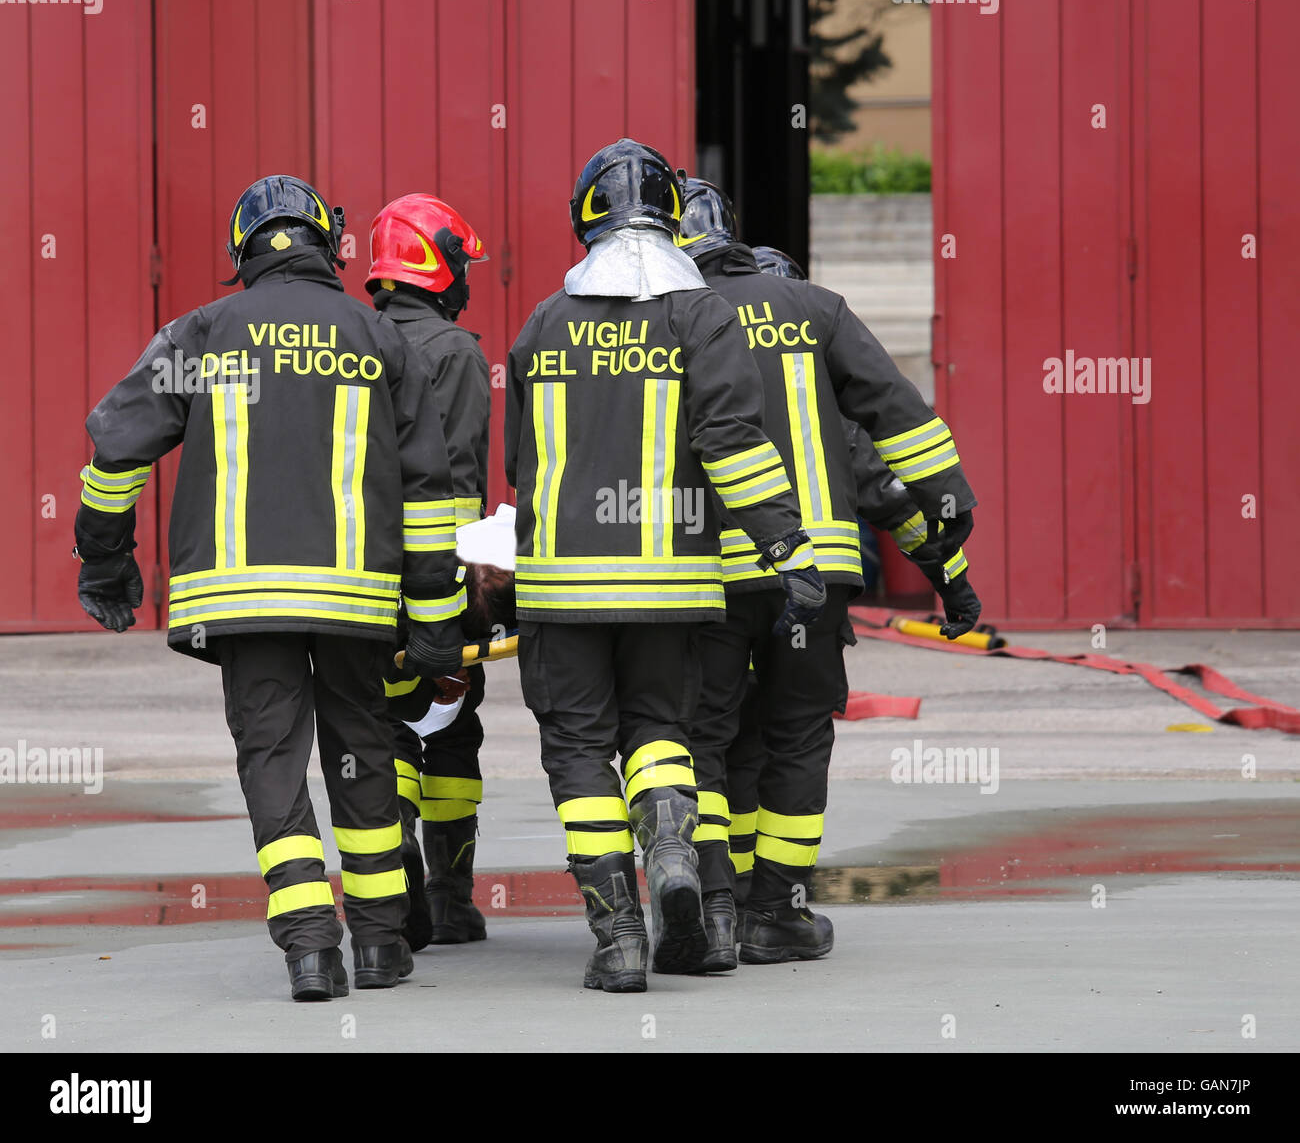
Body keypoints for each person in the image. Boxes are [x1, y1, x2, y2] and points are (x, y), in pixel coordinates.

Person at [73, 174, 467, 1001]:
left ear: (241, 253)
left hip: (240, 601)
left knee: (272, 758)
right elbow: (431, 494)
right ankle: (384, 943)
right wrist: (435, 621)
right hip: (354, 600)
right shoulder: (376, 335)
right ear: (327, 242)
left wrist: (106, 558)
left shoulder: (200, 331)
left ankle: (309, 947)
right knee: (362, 749)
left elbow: (115, 447)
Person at [503, 139, 824, 992]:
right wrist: (784, 544)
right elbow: (732, 441)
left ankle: (616, 940)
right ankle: (673, 849)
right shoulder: (703, 315)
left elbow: (519, 467)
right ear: (674, 219)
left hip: (560, 588)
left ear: (584, 218)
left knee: (577, 752)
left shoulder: (543, 322)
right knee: (660, 731)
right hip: (672, 586)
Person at [677, 178, 980, 964]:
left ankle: (715, 908)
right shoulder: (814, 311)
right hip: (819, 570)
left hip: (707, 571)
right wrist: (951, 526)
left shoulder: (663, 318)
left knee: (704, 738)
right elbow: (893, 417)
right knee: (797, 737)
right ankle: (774, 912)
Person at [367, 194, 495, 949]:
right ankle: (451, 901)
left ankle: (393, 872)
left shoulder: (351, 340)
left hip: (354, 580)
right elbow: (459, 485)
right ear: (436, 263)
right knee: (449, 724)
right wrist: (463, 586)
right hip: (436, 577)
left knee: (380, 720)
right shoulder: (454, 351)